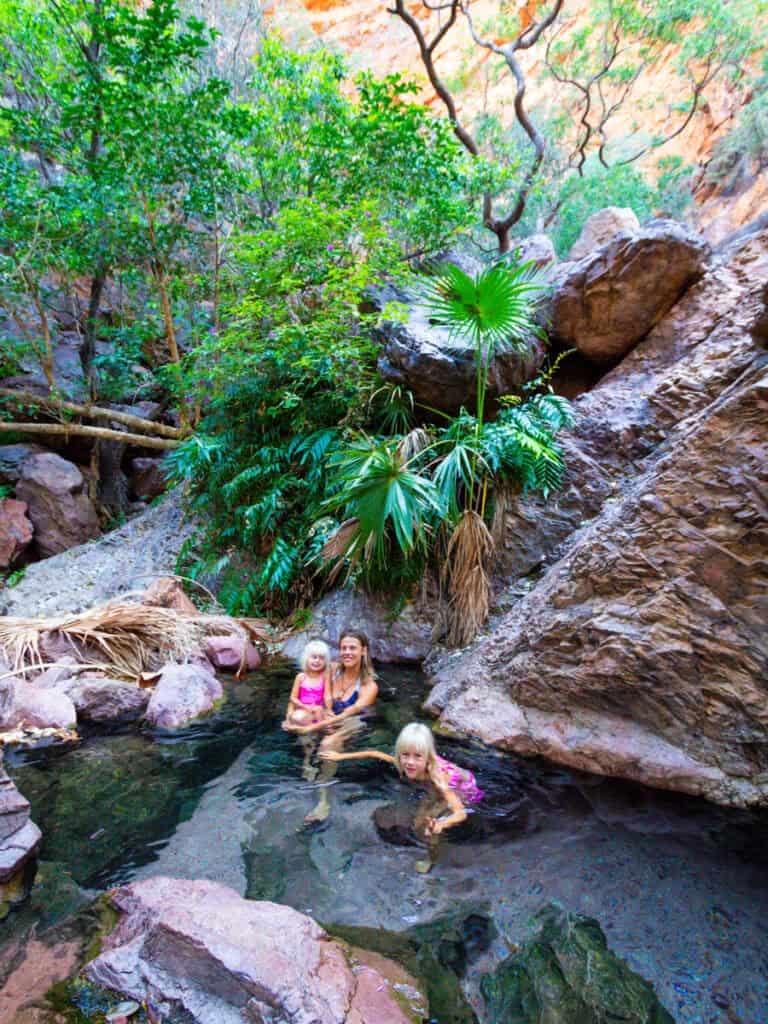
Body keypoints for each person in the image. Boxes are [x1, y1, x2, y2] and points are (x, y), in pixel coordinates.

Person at [320, 721, 482, 873]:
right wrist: (340, 757)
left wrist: (442, 824)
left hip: (463, 789)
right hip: (436, 784)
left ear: (428, 758)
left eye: (417, 756)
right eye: (405, 755)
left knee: (425, 827)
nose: (409, 762)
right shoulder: (403, 763)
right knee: (421, 818)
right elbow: (374, 753)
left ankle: (431, 860)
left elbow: (461, 813)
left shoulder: (439, 778)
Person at [284, 629, 378, 824]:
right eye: (343, 648)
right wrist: (290, 717)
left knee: (328, 744)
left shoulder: (369, 686)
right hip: (329, 715)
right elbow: (300, 690)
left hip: (353, 721)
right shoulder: (332, 669)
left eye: (353, 648)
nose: (347, 652)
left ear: (363, 651)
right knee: (303, 720)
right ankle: (308, 761)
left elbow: (348, 714)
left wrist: (315, 727)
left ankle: (323, 800)